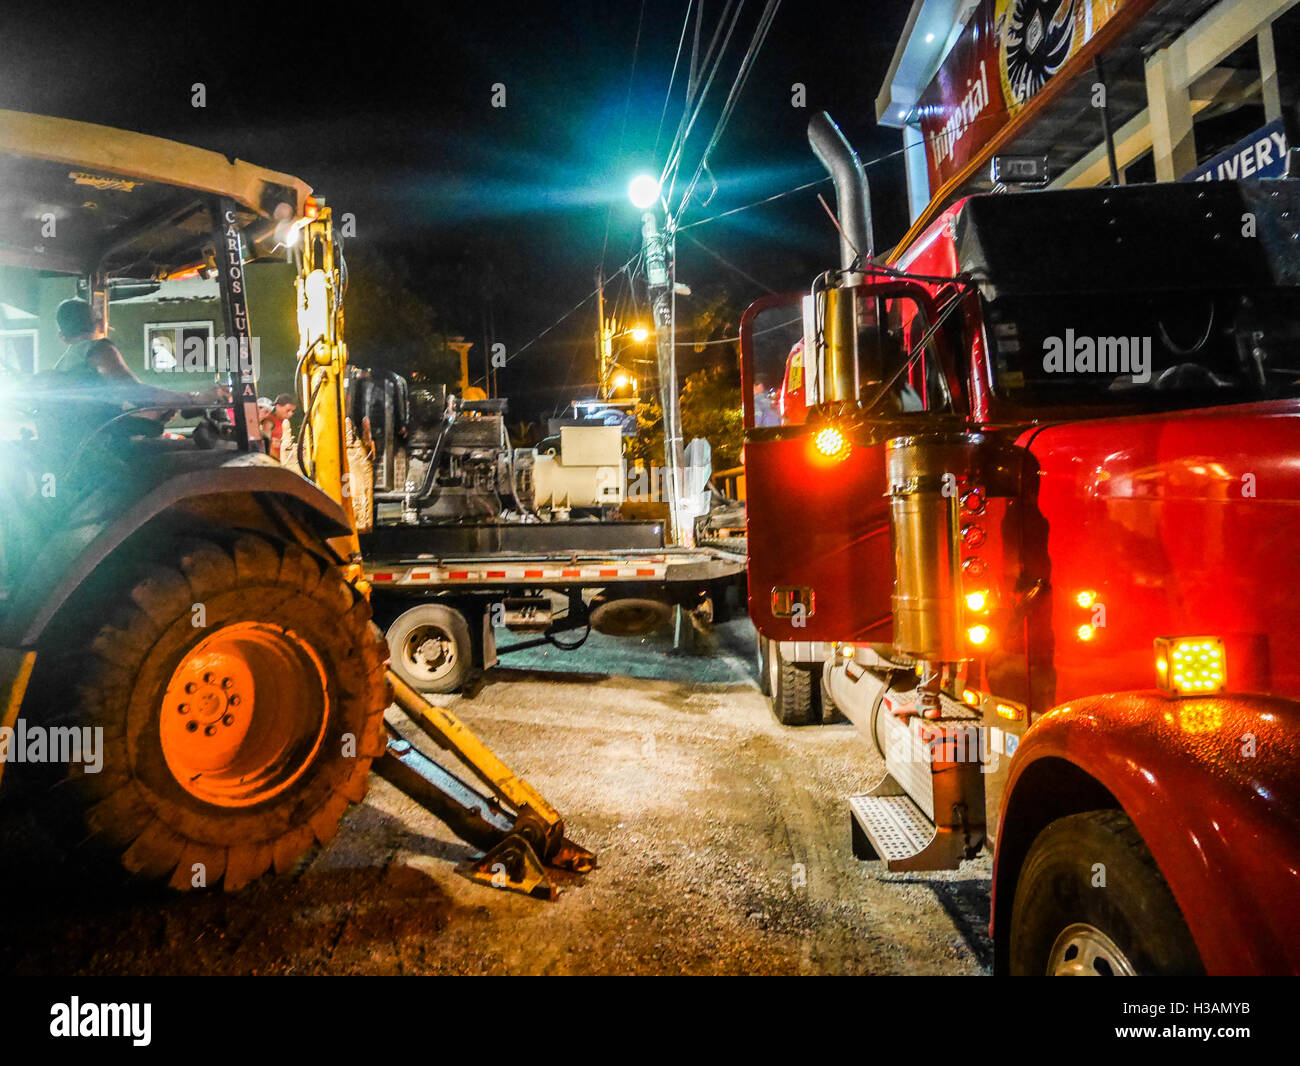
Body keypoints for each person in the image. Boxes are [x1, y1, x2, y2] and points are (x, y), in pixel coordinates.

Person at [269, 392, 296, 461]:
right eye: (288, 410)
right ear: (278, 407)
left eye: (292, 411)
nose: (290, 414)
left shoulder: (285, 424)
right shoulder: (268, 420)